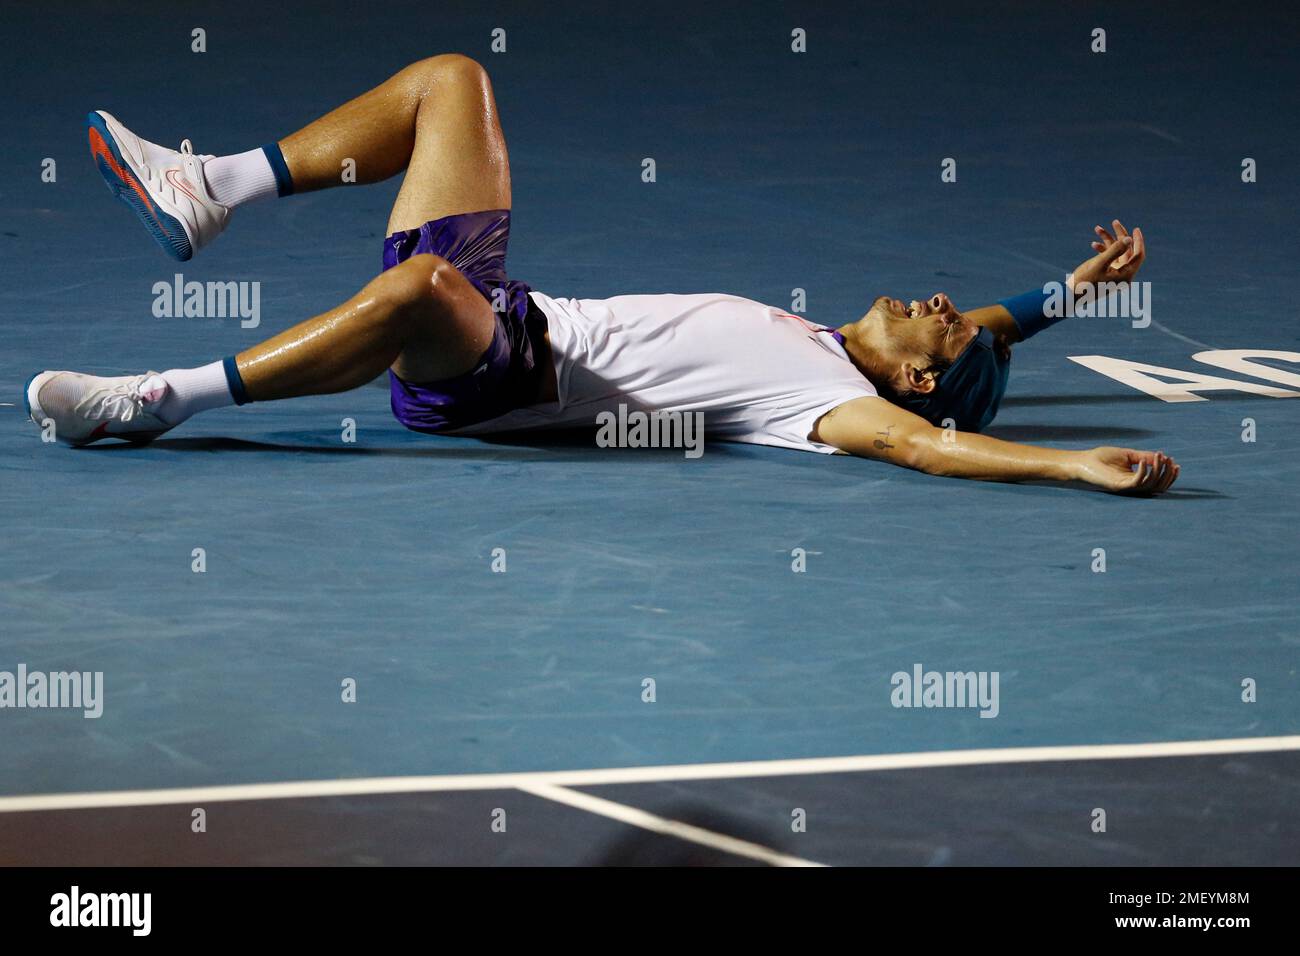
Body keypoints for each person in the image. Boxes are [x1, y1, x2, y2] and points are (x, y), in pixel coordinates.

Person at [27, 54, 1177, 495]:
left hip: (499, 381)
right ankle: (214, 187)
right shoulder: (856, 345)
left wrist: (1071, 463)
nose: (944, 303)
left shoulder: (827, 403)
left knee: (421, 289)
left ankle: (153, 401)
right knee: (452, 84)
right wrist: (1073, 288)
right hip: (512, 314)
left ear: (917, 382)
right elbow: (987, 329)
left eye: (947, 333)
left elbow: (935, 442)